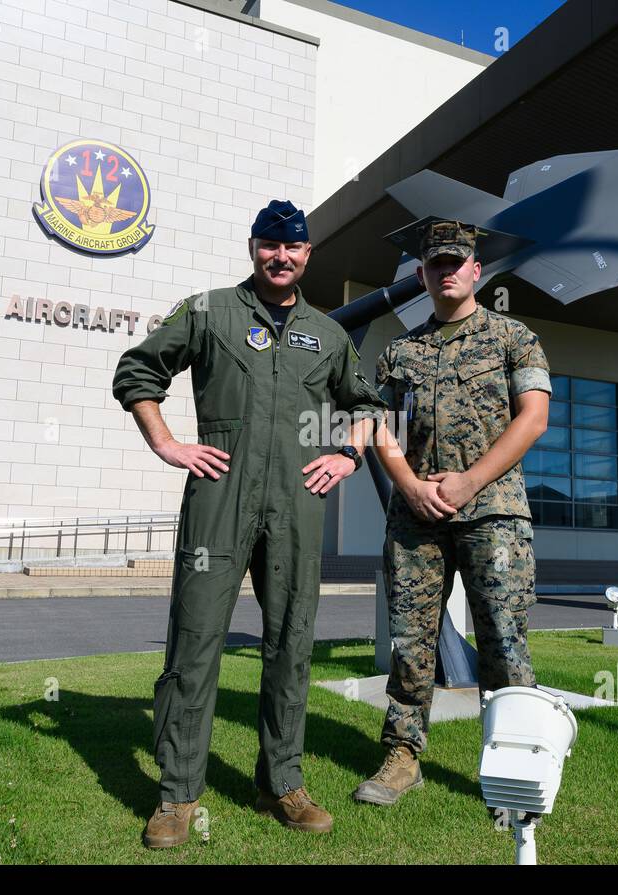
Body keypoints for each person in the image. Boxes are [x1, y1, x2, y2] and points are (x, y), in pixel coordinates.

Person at [112, 199, 386, 847]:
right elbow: (138, 369)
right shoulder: (209, 311)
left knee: (291, 644)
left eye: (292, 248)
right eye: (269, 246)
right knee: (194, 640)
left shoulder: (328, 333)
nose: (280, 257)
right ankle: (178, 794)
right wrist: (168, 443)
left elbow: (368, 404)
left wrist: (347, 455)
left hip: (296, 503)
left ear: (308, 254)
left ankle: (281, 784)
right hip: (219, 494)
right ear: (253, 247)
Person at [354, 220, 551, 806]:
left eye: (455, 262)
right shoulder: (399, 351)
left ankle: (515, 767)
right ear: (421, 275)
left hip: (493, 514)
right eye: (434, 264)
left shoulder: (515, 339)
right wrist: (409, 485)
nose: (445, 271)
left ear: (476, 270)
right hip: (417, 519)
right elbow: (374, 425)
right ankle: (401, 757)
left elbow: (532, 419)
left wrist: (469, 481)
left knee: (503, 641)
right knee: (411, 643)